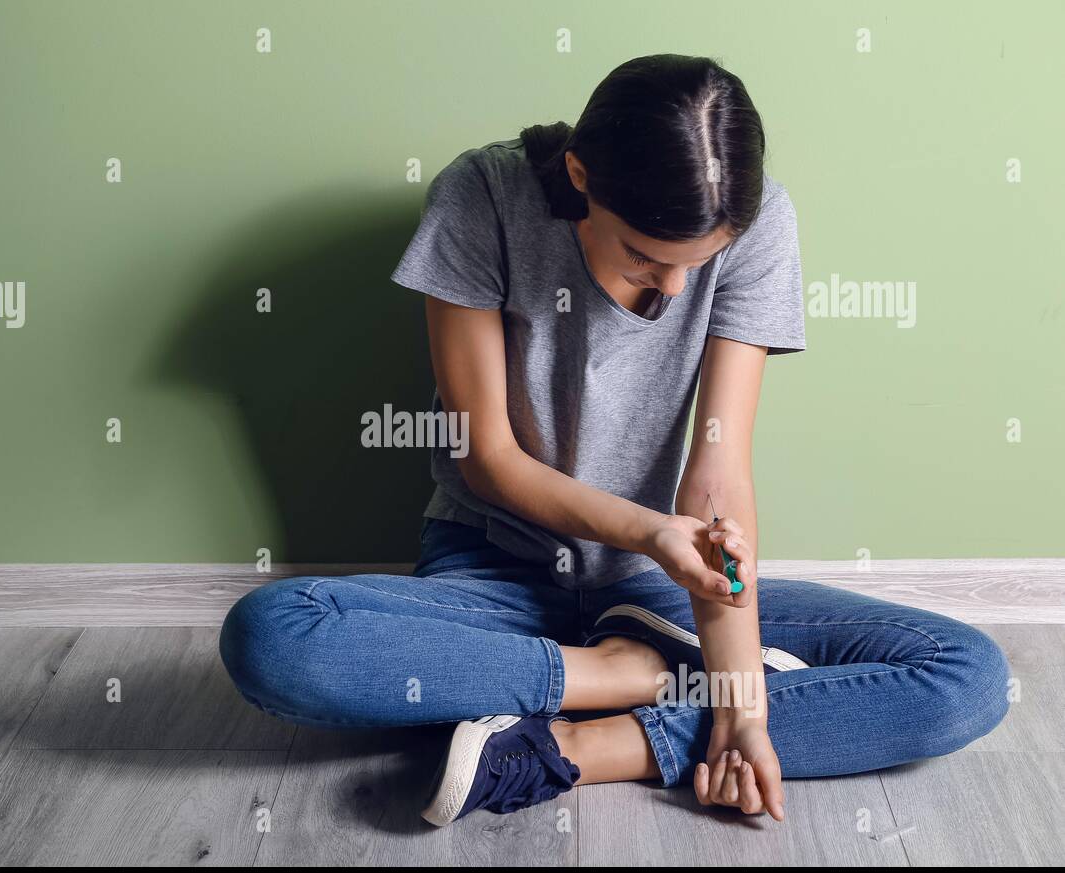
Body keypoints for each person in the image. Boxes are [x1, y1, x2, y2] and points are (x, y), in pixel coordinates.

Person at [219, 54, 1010, 827]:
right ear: (581, 177)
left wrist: (740, 711)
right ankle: (624, 674)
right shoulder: (481, 196)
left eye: (693, 267)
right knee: (273, 639)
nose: (671, 290)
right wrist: (657, 548)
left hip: (660, 587)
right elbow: (487, 457)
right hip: (497, 570)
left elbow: (718, 476)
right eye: (644, 256)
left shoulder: (761, 223)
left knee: (967, 678)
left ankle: (584, 742)